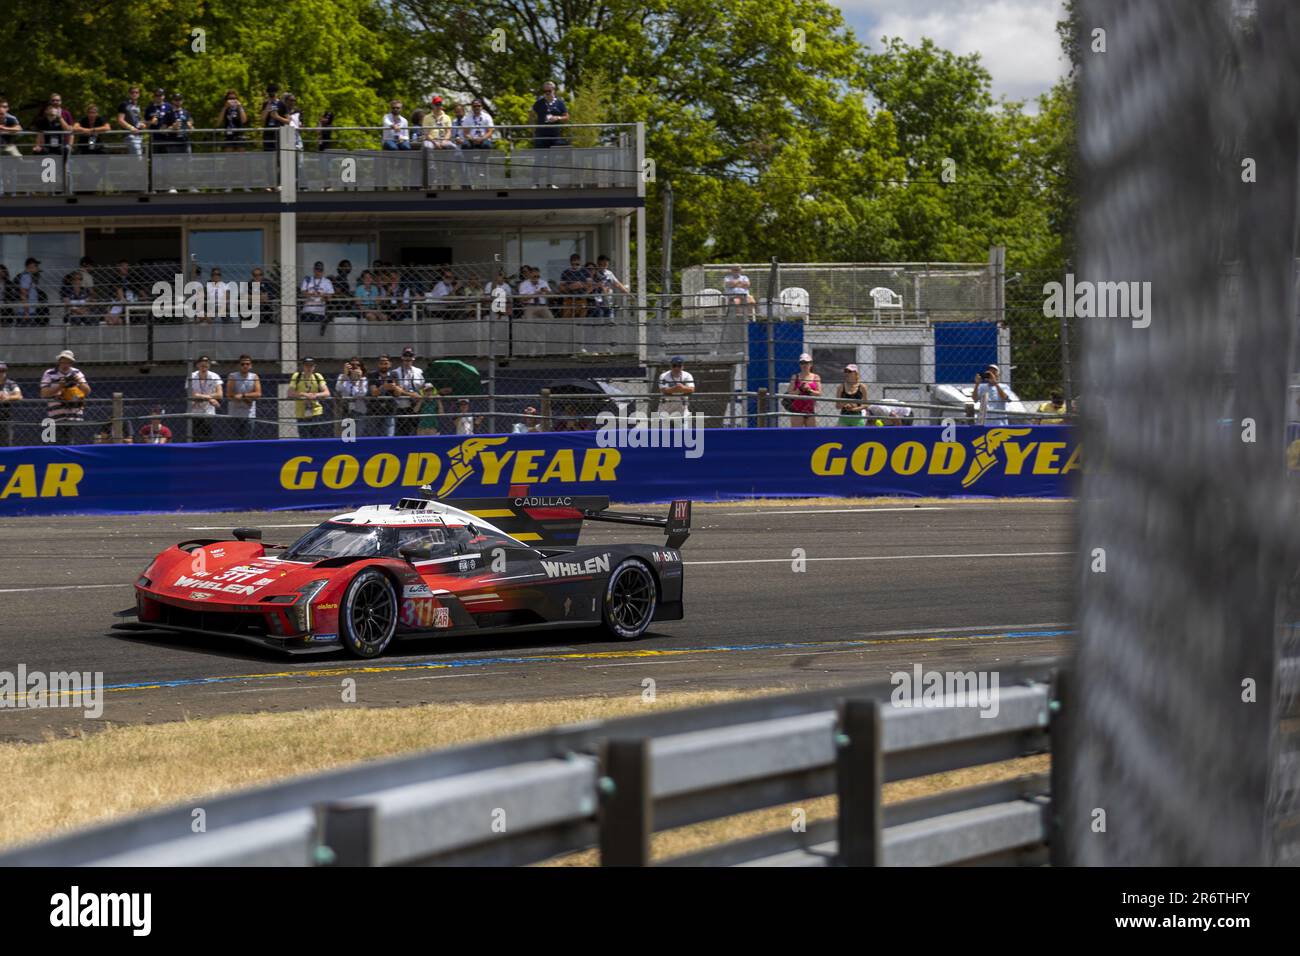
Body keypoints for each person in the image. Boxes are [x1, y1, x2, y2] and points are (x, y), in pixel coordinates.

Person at [40, 350, 91, 445]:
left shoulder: (76, 372)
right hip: (56, 415)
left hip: (74, 415)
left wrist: (78, 380)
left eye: (68, 362)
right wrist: (59, 386)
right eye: (63, 361)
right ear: (59, 361)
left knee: (73, 444)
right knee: (56, 443)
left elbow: (87, 391)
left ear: (71, 363)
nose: (65, 364)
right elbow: (43, 393)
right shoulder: (49, 373)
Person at [288, 357, 330, 438]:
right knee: (304, 437)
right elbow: (290, 393)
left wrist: (315, 395)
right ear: (303, 366)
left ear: (314, 367)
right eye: (306, 366)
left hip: (316, 411)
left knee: (317, 438)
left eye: (311, 366)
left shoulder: (317, 376)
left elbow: (327, 392)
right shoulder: (297, 376)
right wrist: (304, 394)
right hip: (301, 413)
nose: (309, 368)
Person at [187, 355, 223, 442]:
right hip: (195, 411)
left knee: (207, 437)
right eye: (202, 363)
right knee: (195, 437)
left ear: (209, 365)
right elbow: (191, 394)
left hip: (208, 412)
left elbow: (220, 394)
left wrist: (202, 397)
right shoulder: (191, 376)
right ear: (198, 365)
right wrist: (210, 398)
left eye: (207, 363)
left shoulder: (214, 376)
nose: (204, 365)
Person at [391, 347, 425, 436]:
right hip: (403, 407)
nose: (408, 358)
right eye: (406, 355)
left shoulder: (419, 371)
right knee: (402, 434)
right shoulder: (395, 372)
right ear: (402, 357)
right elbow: (397, 391)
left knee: (417, 433)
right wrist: (411, 394)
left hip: (417, 407)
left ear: (413, 357)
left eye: (410, 355)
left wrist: (420, 395)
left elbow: (423, 387)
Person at [226, 355, 262, 440]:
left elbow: (258, 393)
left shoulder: (254, 377)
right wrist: (247, 400)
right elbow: (229, 394)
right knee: (234, 440)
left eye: (247, 364)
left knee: (248, 439)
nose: (245, 366)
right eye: (242, 364)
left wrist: (243, 396)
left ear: (251, 365)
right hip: (234, 414)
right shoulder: (233, 376)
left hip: (249, 414)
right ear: (239, 365)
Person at [785, 353, 821, 427]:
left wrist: (809, 390)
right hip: (797, 409)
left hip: (810, 409)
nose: (804, 365)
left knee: (812, 434)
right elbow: (789, 393)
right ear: (800, 364)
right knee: (797, 434)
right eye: (802, 363)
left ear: (811, 364)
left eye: (807, 363)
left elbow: (819, 393)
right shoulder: (795, 377)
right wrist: (799, 389)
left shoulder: (816, 377)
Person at [367, 353, 398, 436]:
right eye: (381, 363)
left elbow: (397, 394)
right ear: (378, 364)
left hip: (389, 410)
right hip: (374, 411)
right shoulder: (372, 375)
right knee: (374, 438)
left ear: (390, 364)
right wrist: (384, 387)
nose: (383, 365)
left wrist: (395, 387)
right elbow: (374, 392)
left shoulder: (393, 375)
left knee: (389, 436)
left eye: (386, 363)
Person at [531, 81, 569, 148]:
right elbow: (531, 115)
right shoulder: (539, 103)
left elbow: (567, 117)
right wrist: (533, 130)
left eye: (549, 91)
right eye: (545, 91)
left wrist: (558, 118)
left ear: (554, 90)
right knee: (539, 157)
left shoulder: (560, 103)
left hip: (555, 136)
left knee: (554, 157)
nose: (547, 93)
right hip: (541, 136)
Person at [336, 358, 369, 431]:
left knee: (359, 436)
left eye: (357, 365)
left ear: (361, 367)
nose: (355, 367)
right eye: (352, 365)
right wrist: (345, 375)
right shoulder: (342, 377)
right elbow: (338, 388)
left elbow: (362, 393)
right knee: (347, 437)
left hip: (359, 411)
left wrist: (359, 379)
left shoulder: (364, 379)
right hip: (346, 411)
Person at [116, 86, 145, 157]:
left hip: (139, 135)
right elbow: (120, 120)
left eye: (136, 92)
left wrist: (142, 124)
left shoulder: (138, 105)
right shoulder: (124, 104)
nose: (134, 94)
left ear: (139, 94)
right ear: (129, 94)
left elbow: (137, 120)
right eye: (132, 92)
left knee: (138, 158)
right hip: (130, 135)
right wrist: (131, 127)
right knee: (137, 158)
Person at [0, 362, 21, 446]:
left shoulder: (10, 383)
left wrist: (7, 397)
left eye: (3, 370)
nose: (1, 373)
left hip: (5, 418)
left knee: (6, 444)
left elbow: (19, 395)